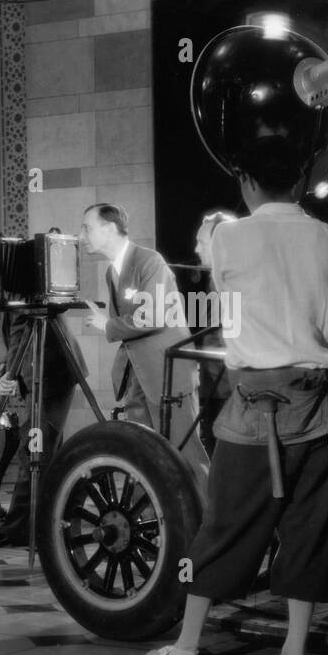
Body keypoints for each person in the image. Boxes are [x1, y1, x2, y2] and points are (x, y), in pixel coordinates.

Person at [144, 137, 328, 655]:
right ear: (302, 182)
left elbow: (224, 289)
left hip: (253, 404)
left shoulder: (227, 236)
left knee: (224, 525)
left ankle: (187, 647)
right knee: (311, 527)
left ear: (246, 183)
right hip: (321, 405)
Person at [0, 226, 87, 547]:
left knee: (32, 449)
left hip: (51, 372)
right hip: (43, 370)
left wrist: (9, 374)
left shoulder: (16, 281)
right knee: (44, 450)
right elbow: (19, 333)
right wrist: (9, 366)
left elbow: (23, 332)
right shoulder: (11, 278)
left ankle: (18, 530)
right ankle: (57, 521)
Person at [80, 203, 209, 486]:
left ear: (110, 228)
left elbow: (155, 316)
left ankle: (208, 527)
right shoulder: (111, 271)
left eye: (87, 227)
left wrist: (108, 324)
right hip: (138, 378)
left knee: (187, 456)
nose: (82, 234)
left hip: (168, 374)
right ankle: (152, 527)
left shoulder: (149, 261)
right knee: (143, 459)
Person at [193, 209, 237, 456]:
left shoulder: (231, 280)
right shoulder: (214, 280)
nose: (196, 249)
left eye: (201, 243)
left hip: (227, 389)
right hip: (215, 386)